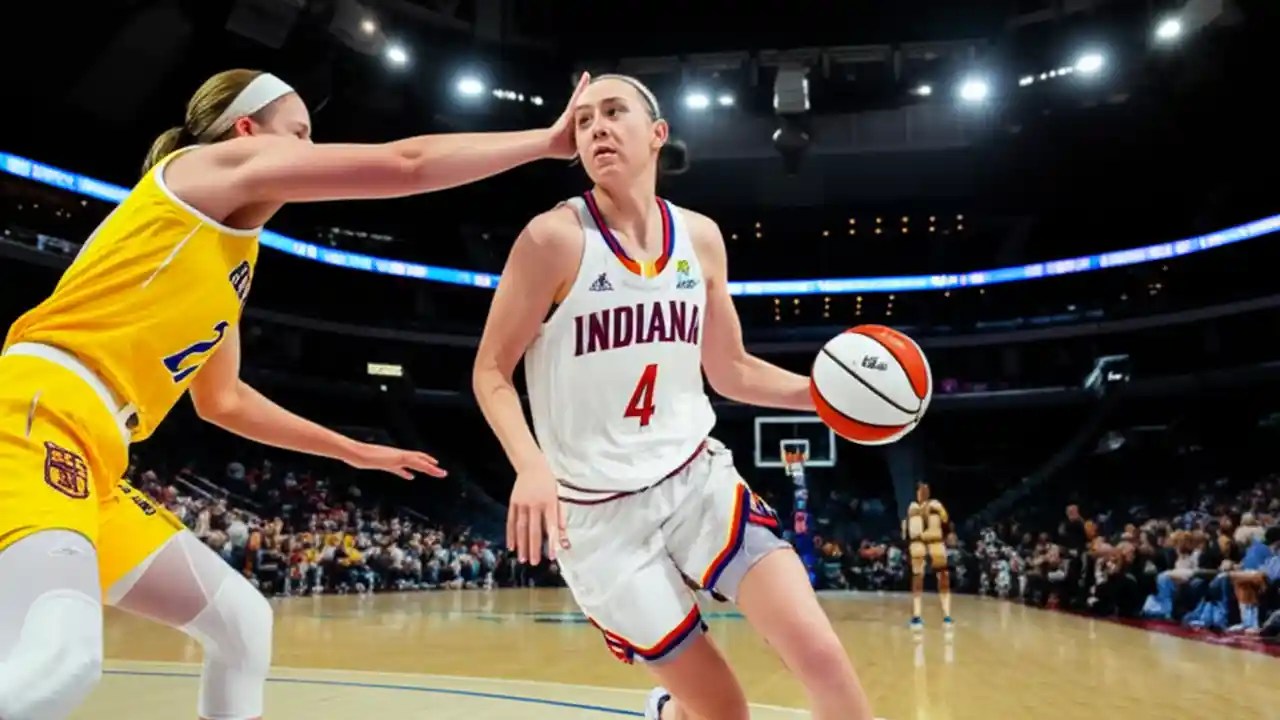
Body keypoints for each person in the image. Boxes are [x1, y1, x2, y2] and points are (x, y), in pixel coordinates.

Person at [0, 67, 590, 720]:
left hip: (97, 455)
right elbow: (408, 163)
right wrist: (547, 140)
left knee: (241, 622)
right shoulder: (204, 170)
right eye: (300, 133)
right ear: (248, 131)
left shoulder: (229, 257)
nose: (311, 152)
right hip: (37, 410)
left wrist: (349, 450)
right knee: (61, 661)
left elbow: (222, 401)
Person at [473, 74, 878, 720]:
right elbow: (491, 371)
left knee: (823, 659)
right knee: (724, 712)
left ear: (657, 134)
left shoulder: (702, 238)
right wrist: (530, 464)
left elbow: (731, 370)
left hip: (697, 483)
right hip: (601, 520)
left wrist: (826, 401)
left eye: (614, 112)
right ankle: (669, 712)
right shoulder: (552, 240)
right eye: (584, 121)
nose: (597, 127)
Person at [903, 482, 952, 628]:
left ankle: (947, 615)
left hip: (935, 542)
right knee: (917, 577)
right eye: (920, 490)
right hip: (917, 543)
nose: (923, 492)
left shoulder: (936, 505)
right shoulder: (912, 507)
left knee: (943, 577)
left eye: (925, 490)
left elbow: (945, 521)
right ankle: (917, 615)